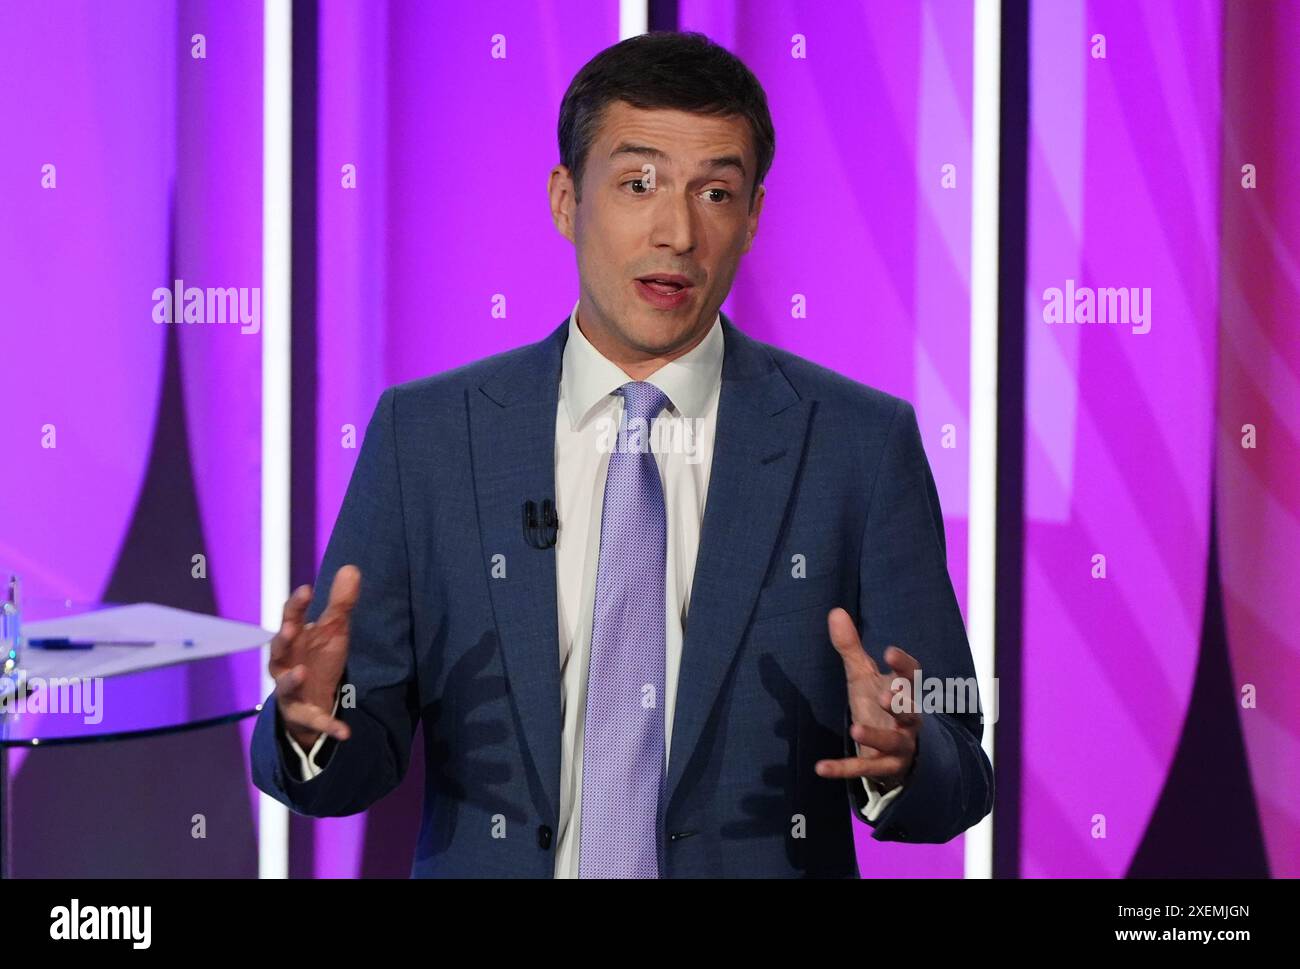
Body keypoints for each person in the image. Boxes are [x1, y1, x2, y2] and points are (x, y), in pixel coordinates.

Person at [251, 30, 993, 878]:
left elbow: (962, 764)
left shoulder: (860, 445)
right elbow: (352, 761)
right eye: (637, 183)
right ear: (567, 199)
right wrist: (310, 723)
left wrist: (908, 753)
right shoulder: (426, 437)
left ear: (752, 218)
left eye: (716, 193)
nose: (676, 231)